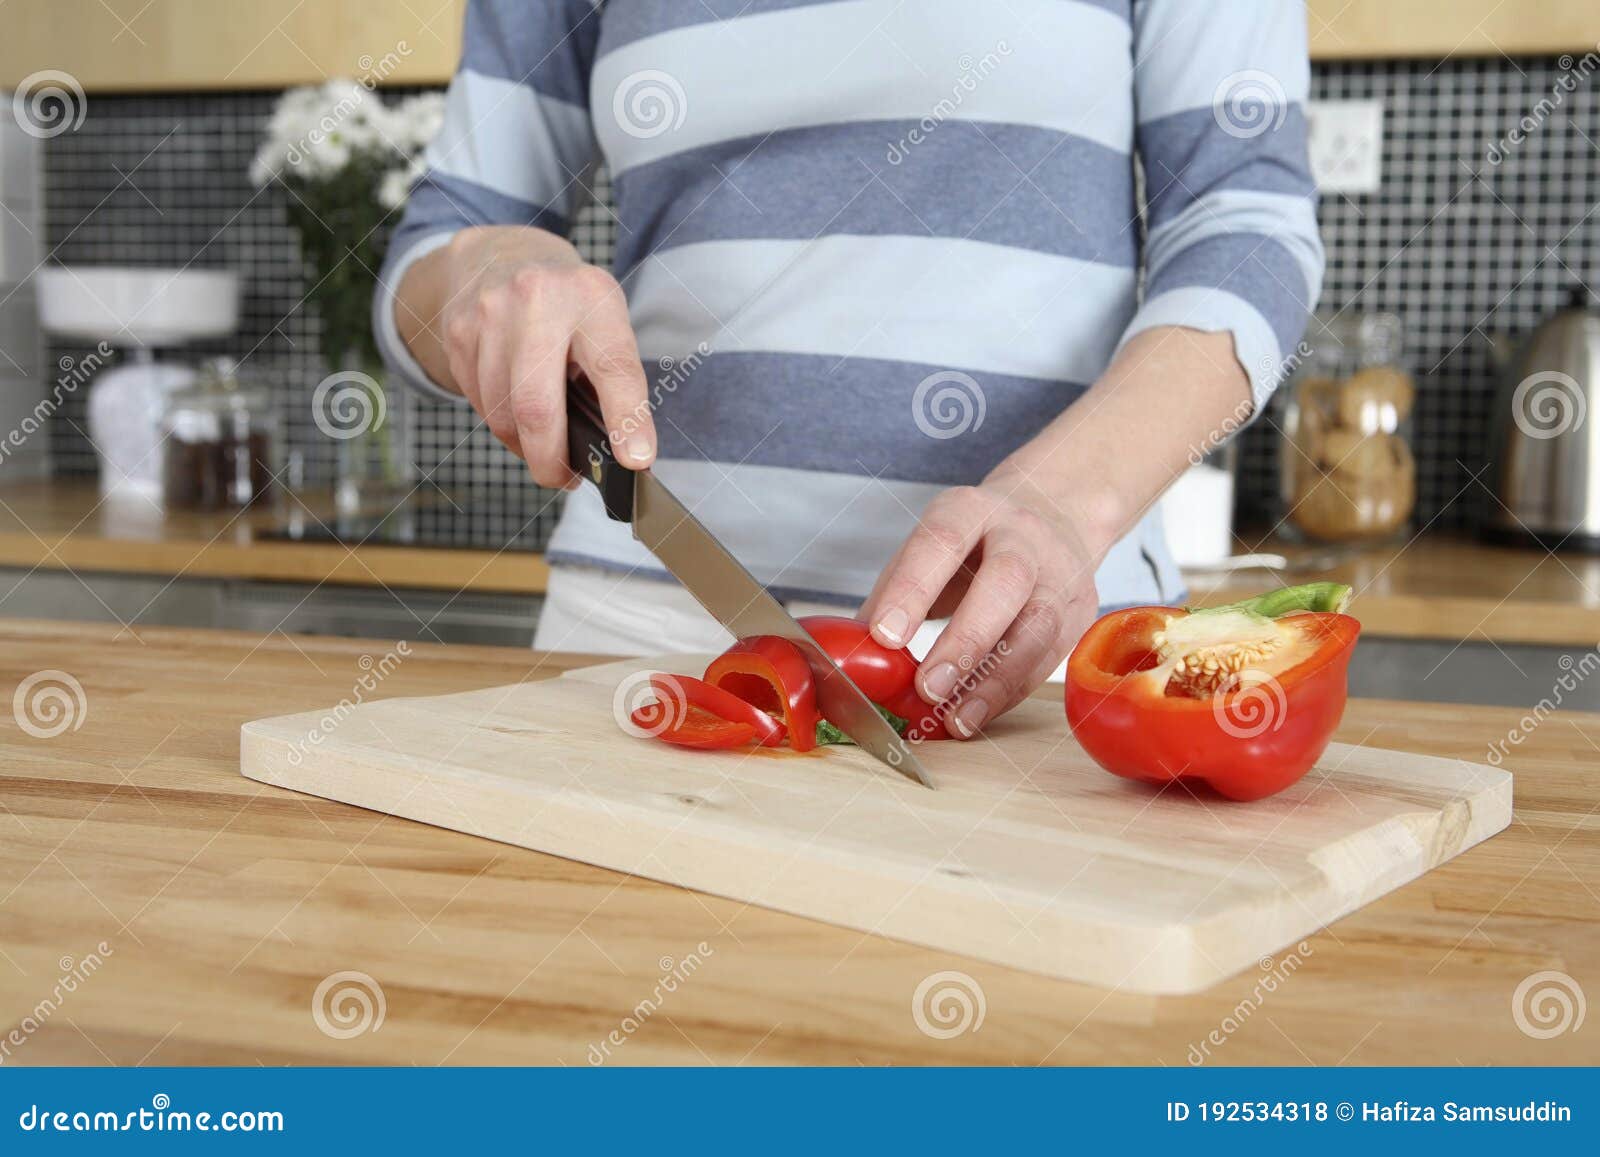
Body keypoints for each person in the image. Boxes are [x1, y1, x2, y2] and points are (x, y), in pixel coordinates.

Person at [375, 0, 1323, 740]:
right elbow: (441, 239)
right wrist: (481, 270)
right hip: (638, 632)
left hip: (1038, 642)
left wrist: (1064, 503)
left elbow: (1245, 229)